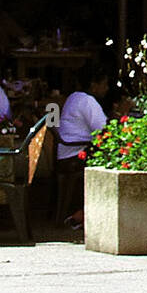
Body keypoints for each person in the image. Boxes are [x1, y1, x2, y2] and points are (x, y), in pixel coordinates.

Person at [58, 75, 109, 230]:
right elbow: (104, 130)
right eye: (104, 84)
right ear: (94, 85)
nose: (106, 89)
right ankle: (84, 214)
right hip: (74, 154)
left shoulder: (73, 97)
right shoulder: (87, 101)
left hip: (65, 153)